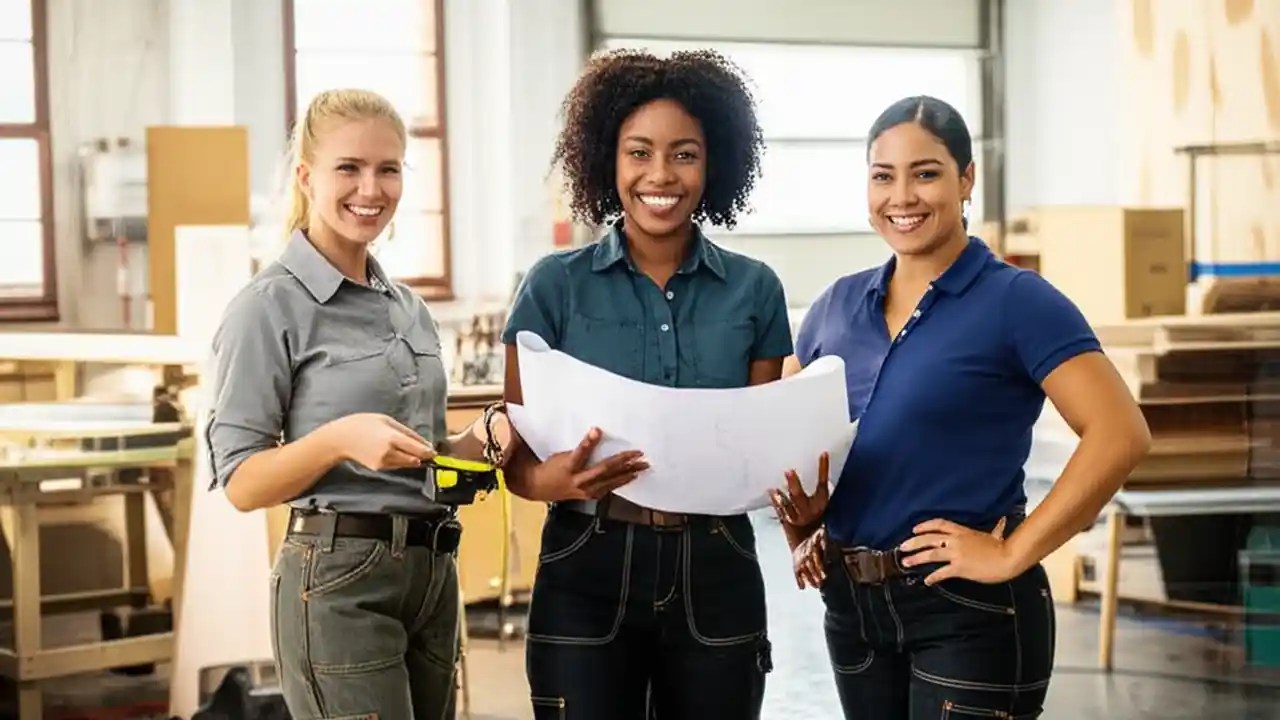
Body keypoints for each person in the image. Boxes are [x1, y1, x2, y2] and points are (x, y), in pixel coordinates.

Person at [773, 95, 1152, 719]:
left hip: (968, 611)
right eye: (882, 176)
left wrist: (1012, 551)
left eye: (926, 173)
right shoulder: (833, 307)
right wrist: (804, 530)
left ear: (966, 179)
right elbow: (786, 438)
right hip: (853, 611)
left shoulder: (1017, 302)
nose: (903, 197)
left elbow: (1120, 434)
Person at [499, 48, 794, 719]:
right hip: (585, 561)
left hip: (717, 563)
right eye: (639, 152)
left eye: (684, 154)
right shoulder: (552, 286)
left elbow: (759, 451)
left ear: (714, 162)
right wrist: (558, 483)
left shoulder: (756, 290)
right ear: (608, 158)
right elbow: (516, 459)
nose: (660, 175)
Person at [206, 88, 510, 719]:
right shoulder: (267, 308)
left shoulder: (408, 307)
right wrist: (337, 440)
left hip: (431, 575)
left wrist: (486, 437)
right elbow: (241, 482)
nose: (370, 188)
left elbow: (421, 455)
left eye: (388, 168)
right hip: (338, 582)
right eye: (349, 167)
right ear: (306, 176)